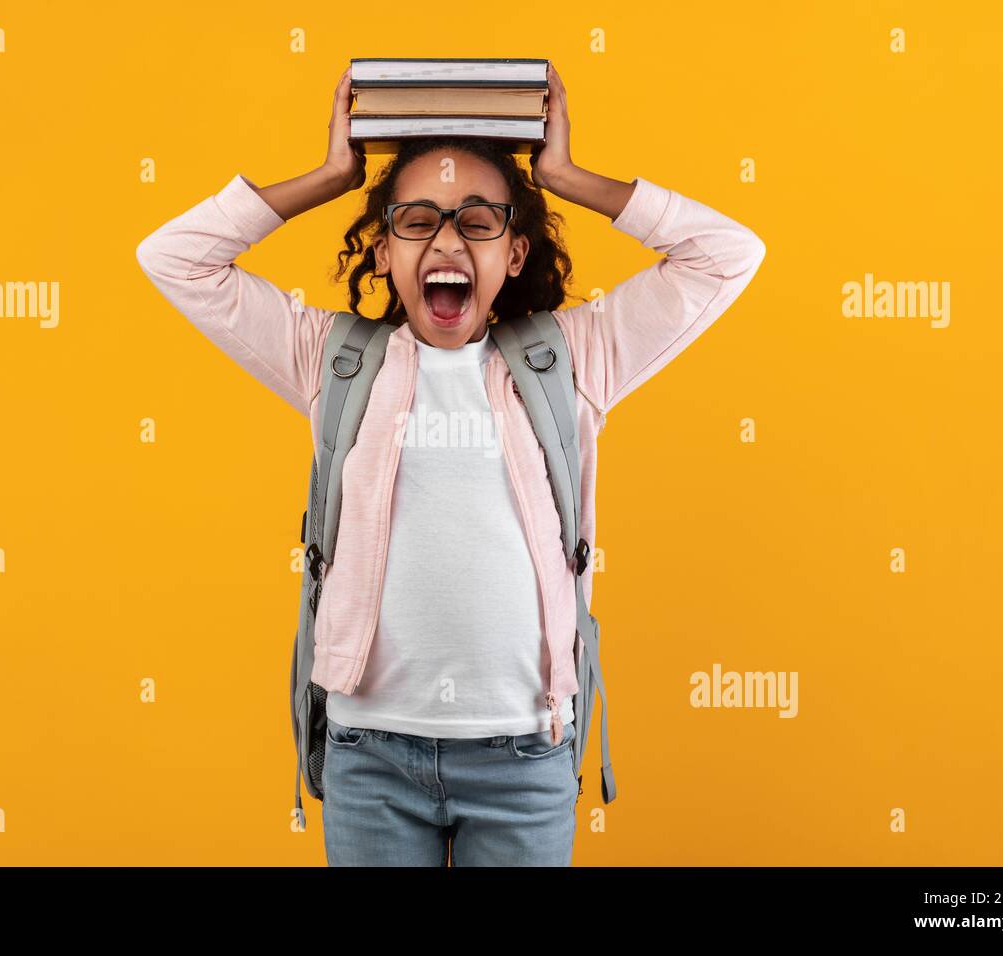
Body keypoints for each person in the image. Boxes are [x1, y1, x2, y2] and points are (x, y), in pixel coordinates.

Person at [136, 63, 766, 866]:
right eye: (416, 219)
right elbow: (174, 259)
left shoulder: (569, 361)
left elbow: (725, 255)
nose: (444, 240)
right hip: (372, 756)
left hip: (524, 759)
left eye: (477, 221)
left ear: (515, 251)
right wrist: (331, 177)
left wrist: (569, 177)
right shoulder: (331, 360)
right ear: (384, 248)